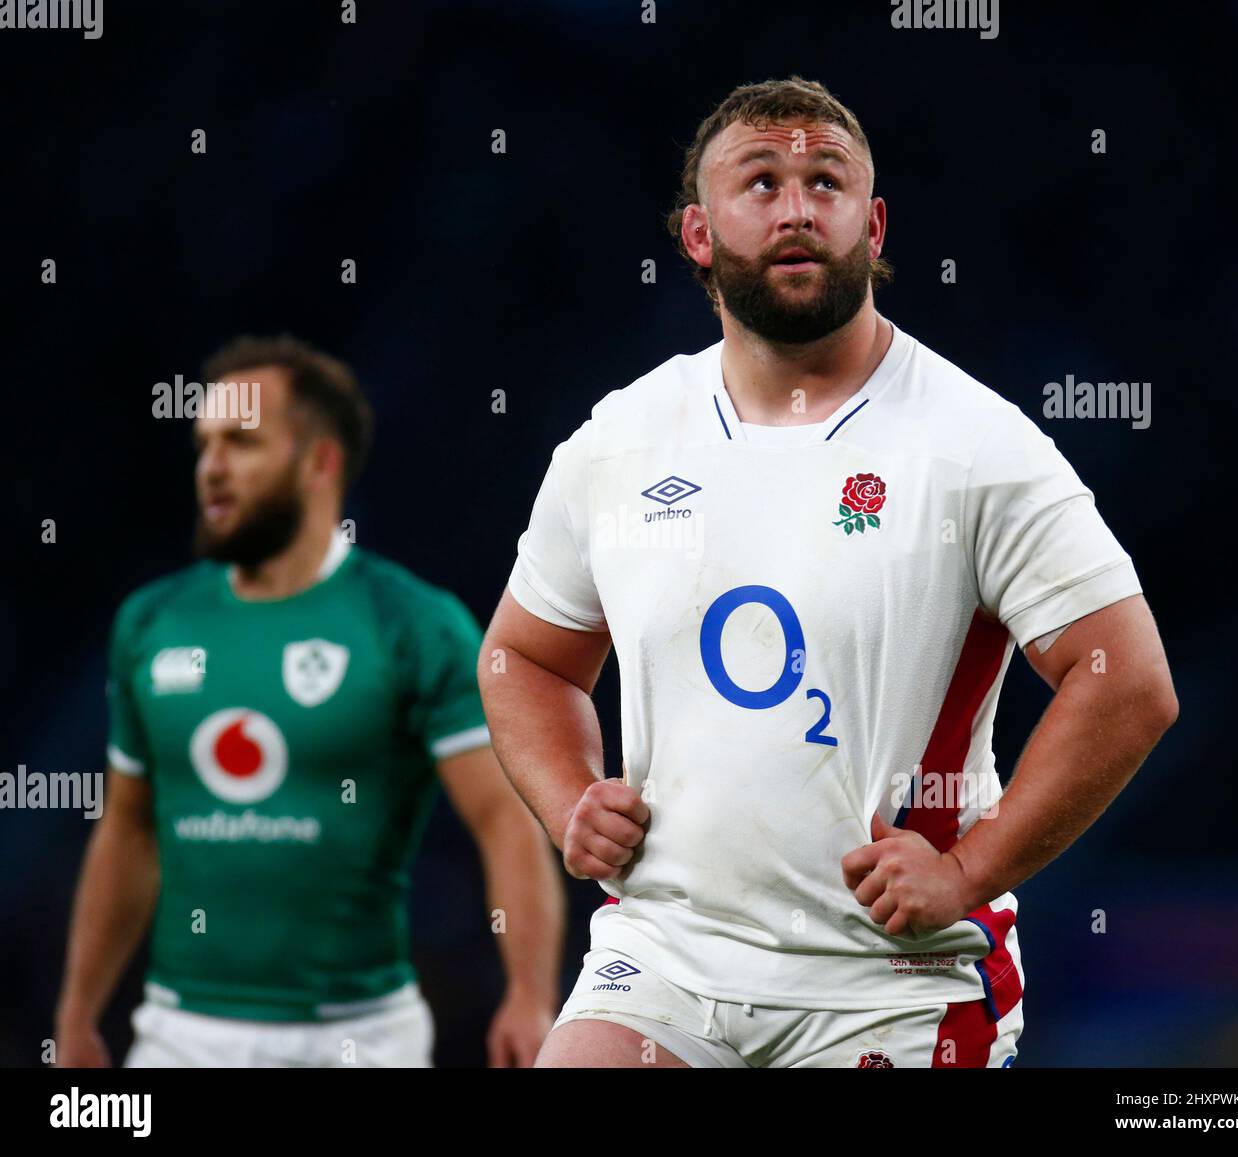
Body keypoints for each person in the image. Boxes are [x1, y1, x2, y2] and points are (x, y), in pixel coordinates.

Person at [477, 77, 1177, 1068]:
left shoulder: (974, 445)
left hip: (885, 982)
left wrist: (969, 868)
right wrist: (567, 800)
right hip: (665, 954)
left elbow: (1129, 682)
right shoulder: (620, 441)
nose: (797, 206)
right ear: (697, 235)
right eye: (760, 183)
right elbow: (523, 659)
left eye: (825, 182)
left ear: (873, 221)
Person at [56, 335, 563, 1067]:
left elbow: (503, 821)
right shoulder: (151, 622)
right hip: (178, 1033)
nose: (211, 468)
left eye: (241, 441)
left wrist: (528, 991)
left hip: (361, 1036)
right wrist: (77, 1010)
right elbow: (127, 830)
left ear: (320, 461)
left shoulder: (413, 624)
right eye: (203, 445)